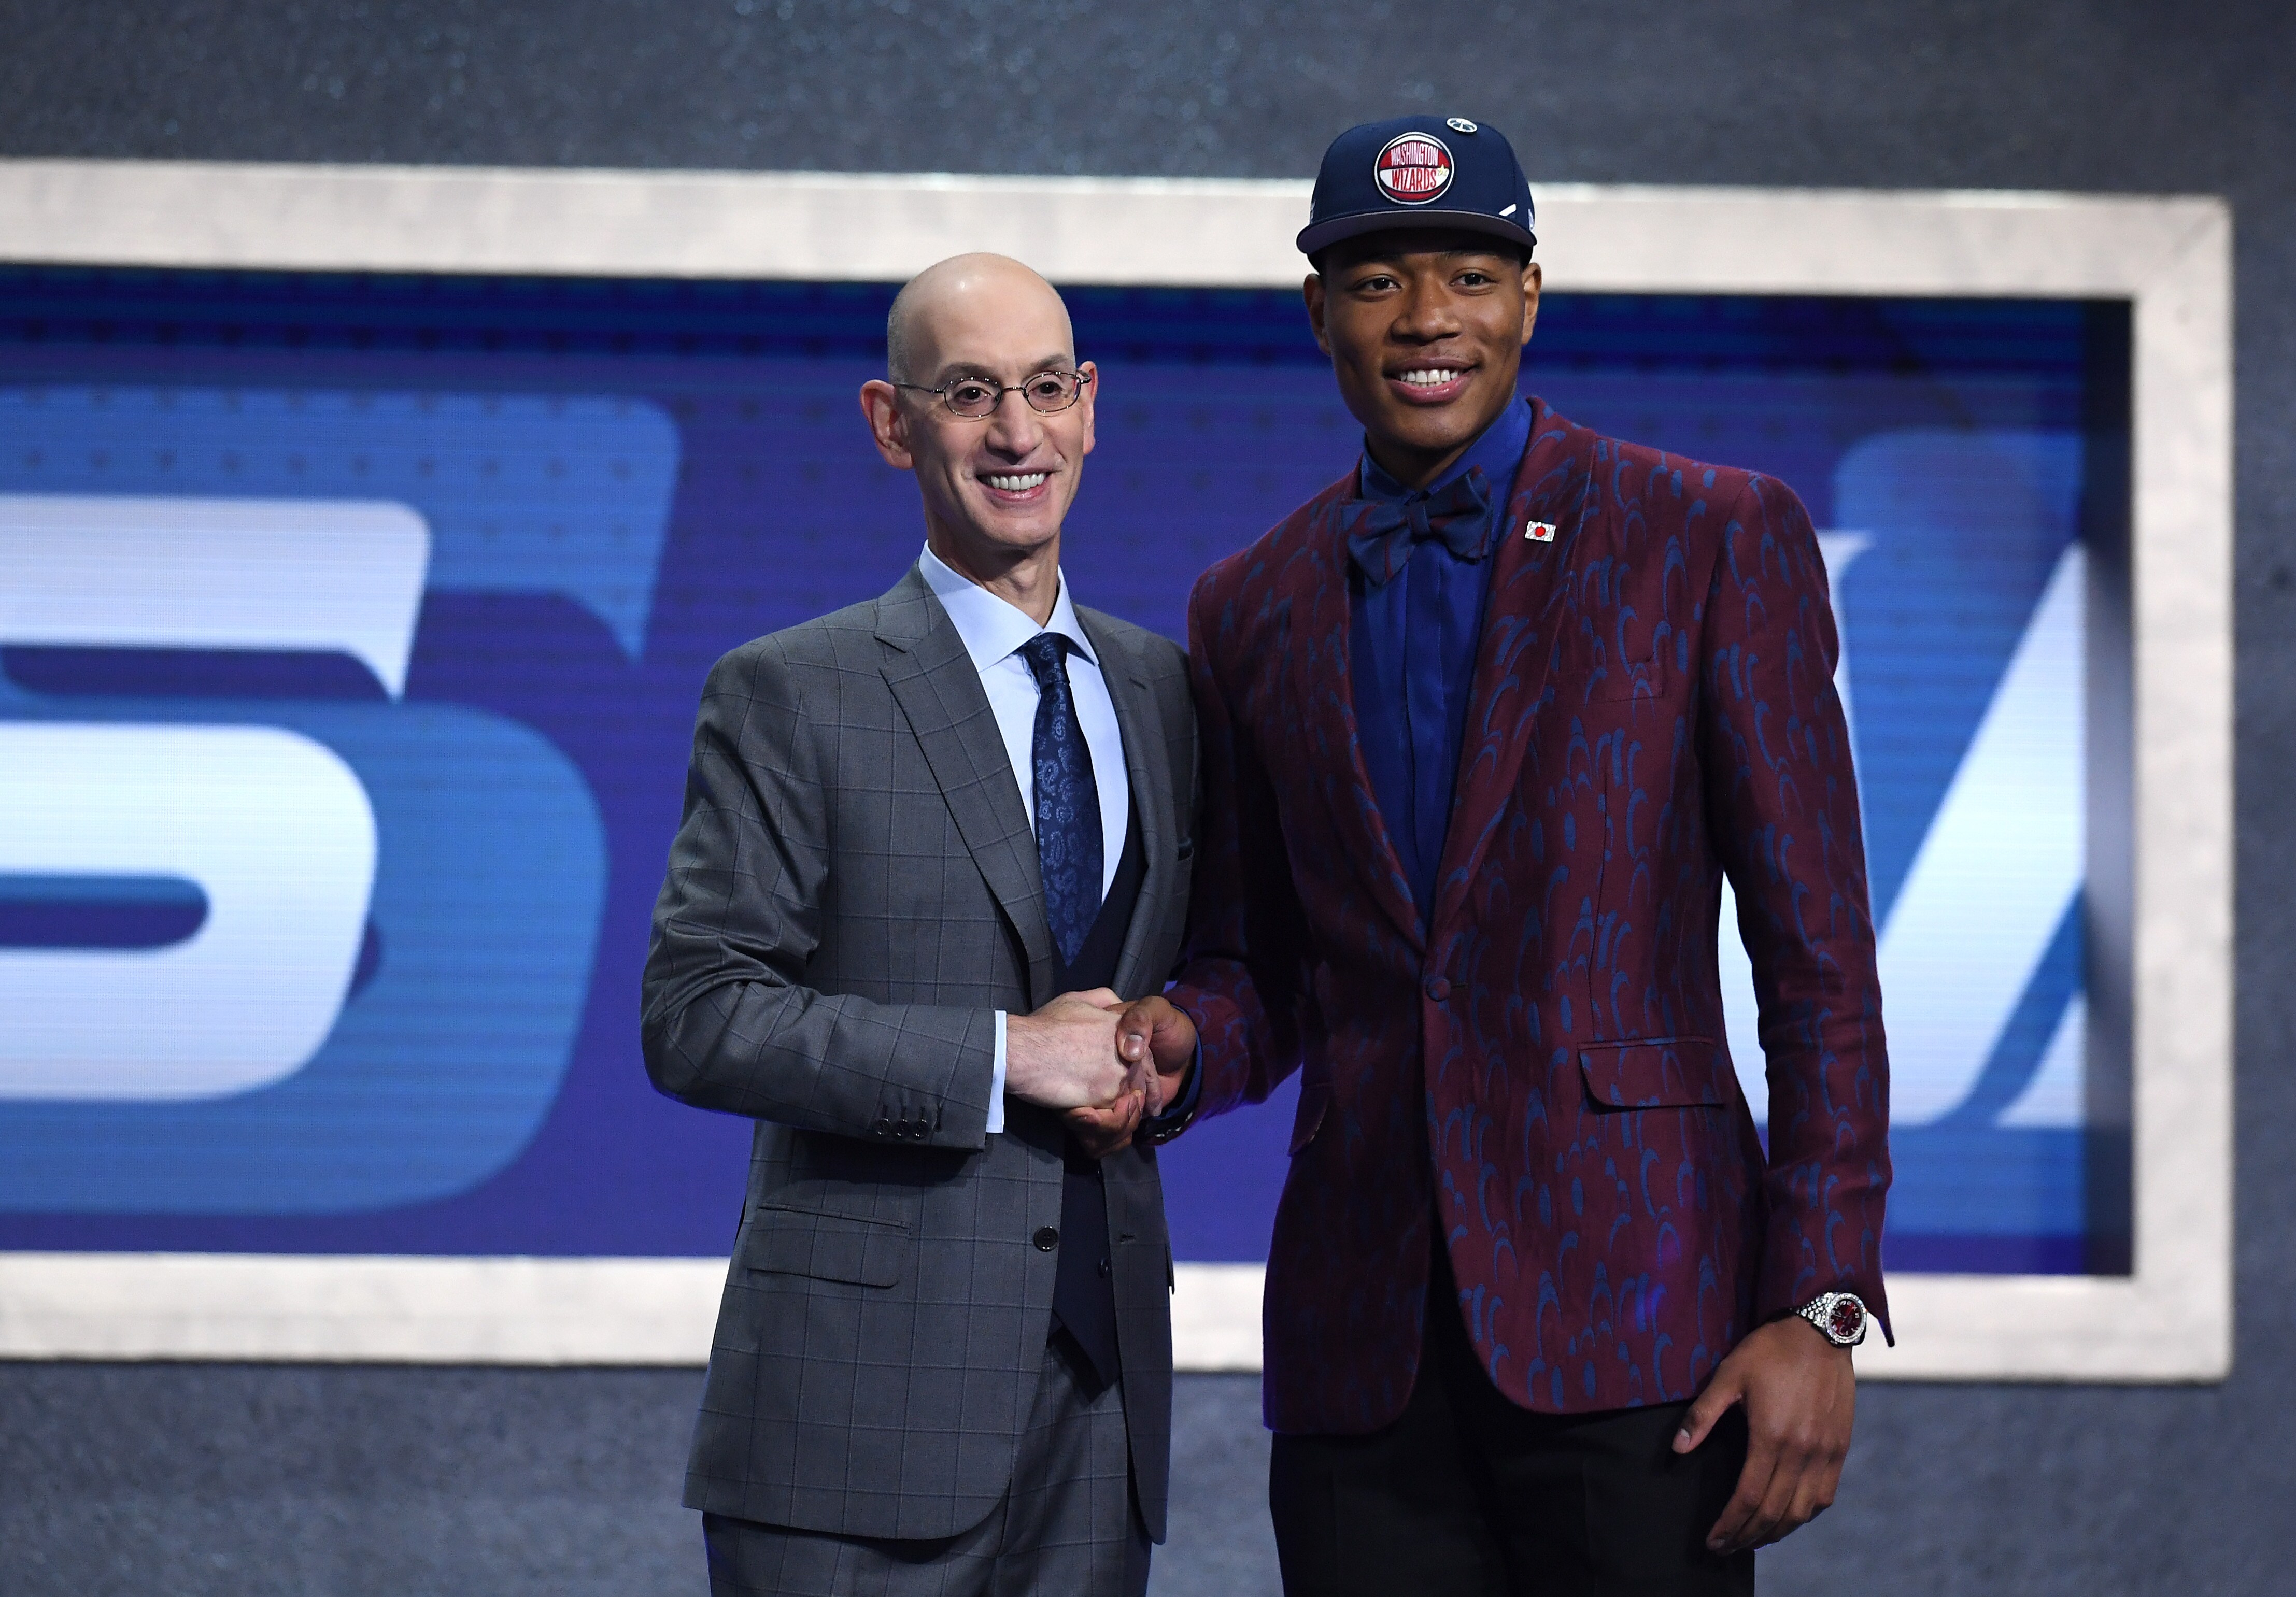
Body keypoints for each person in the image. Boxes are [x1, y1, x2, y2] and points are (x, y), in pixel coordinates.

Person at [1117, 117, 1892, 1593]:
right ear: (1318, 313)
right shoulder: (1248, 602)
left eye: (1471, 276)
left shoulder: (1708, 534)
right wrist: (1183, 1046)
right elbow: (1263, 967)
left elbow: (1821, 970)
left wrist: (1822, 1304)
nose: (1427, 319)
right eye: (1377, 283)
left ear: (1529, 297)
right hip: (1361, 1351)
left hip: (1648, 1335)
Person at [642, 251, 1197, 1597]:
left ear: (1090, 406)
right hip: (854, 1426)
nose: (1017, 432)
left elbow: (1185, 986)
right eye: (969, 393)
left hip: (1099, 1420)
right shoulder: (792, 691)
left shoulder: (1167, 690)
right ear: (893, 424)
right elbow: (698, 1013)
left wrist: (1176, 1054)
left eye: (1045, 388)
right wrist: (1008, 1055)